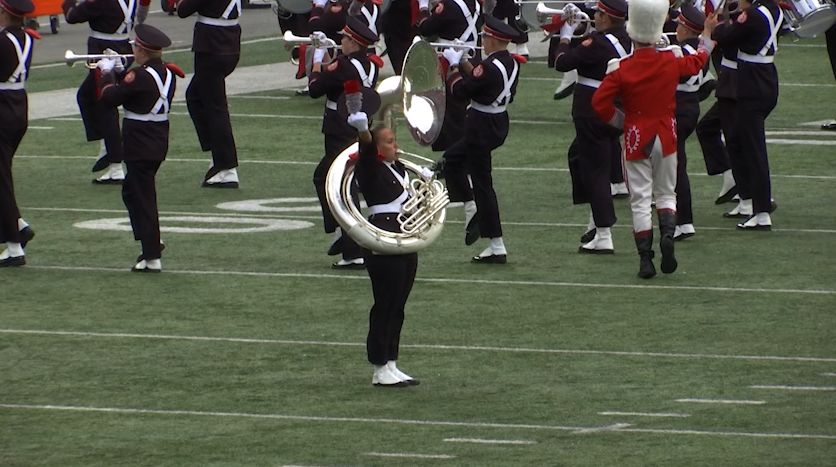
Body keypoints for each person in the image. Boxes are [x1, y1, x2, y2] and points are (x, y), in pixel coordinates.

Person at [592, 0, 714, 279]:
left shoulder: (621, 67)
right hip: (666, 132)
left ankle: (645, 259)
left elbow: (600, 103)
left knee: (640, 200)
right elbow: (697, 62)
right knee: (666, 193)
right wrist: (707, 35)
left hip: (637, 135)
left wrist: (621, 121)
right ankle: (668, 235)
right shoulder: (670, 59)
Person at [344, 90, 420, 387]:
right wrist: (363, 130)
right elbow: (364, 152)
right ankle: (378, 367)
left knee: (398, 305)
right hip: (383, 239)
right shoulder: (370, 167)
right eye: (389, 142)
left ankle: (391, 362)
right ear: (377, 148)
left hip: (406, 238)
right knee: (385, 304)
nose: (396, 145)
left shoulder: (399, 168)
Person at [440, 15, 524, 263]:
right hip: (496, 123)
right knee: (452, 161)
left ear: (495, 39)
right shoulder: (510, 62)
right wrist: (465, 61)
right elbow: (481, 83)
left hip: (481, 127)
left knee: (482, 184)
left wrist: (454, 66)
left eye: (485, 37)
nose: (482, 41)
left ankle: (494, 241)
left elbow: (460, 91)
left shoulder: (487, 67)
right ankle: (471, 209)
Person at [98, 23, 181, 272]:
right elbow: (138, 91)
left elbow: (110, 98)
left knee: (143, 197)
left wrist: (106, 74)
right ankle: (150, 240)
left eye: (135, 46)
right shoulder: (167, 73)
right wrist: (121, 72)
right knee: (133, 192)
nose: (132, 48)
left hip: (140, 142)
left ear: (142, 51)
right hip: (156, 140)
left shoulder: (140, 75)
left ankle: (151, 253)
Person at [554, 0, 631, 254]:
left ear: (606, 18)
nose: (594, 16)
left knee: (595, 171)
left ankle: (603, 233)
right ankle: (594, 220)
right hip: (615, 110)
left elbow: (562, 62)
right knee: (578, 157)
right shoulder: (627, 38)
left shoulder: (597, 42)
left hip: (592, 111)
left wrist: (565, 35)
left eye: (598, 13)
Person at [308, 16, 381, 269]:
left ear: (354, 42)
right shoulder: (370, 64)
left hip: (339, 127)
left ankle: (352, 249)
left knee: (339, 186)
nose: (341, 40)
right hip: (358, 126)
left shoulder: (343, 65)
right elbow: (340, 80)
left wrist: (317, 59)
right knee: (327, 179)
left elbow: (315, 88)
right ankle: (342, 235)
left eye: (345, 39)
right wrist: (330, 59)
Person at [712, 0, 783, 230]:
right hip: (766, 77)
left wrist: (716, 26)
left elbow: (726, 37)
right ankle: (752, 202)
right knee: (744, 143)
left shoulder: (752, 15)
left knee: (754, 150)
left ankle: (761, 211)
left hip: (752, 83)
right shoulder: (774, 9)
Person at [62, 0, 136, 184]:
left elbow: (72, 17)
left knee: (105, 106)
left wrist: (69, 2)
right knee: (86, 96)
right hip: (124, 48)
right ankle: (106, 144)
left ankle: (115, 164)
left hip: (104, 52)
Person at [177, 0, 241, 188]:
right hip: (228, 41)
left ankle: (226, 167)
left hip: (212, 44)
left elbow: (183, 10)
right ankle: (218, 153)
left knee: (215, 108)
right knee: (195, 96)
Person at [0, 0, 37, 267]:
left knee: (1, 179)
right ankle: (19, 225)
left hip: (2, 107)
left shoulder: (2, 41)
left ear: (4, 12)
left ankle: (14, 247)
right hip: (18, 105)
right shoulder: (26, 37)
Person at [672, 4, 710, 240]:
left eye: (679, 24)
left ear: (686, 28)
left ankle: (682, 221)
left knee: (675, 168)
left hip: (678, 107)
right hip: (690, 106)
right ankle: (681, 220)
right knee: (676, 165)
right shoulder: (700, 48)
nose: (676, 28)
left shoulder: (683, 51)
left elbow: (681, 73)